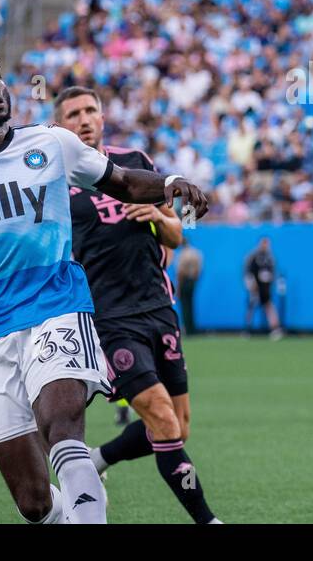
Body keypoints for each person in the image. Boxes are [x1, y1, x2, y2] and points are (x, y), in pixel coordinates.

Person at [0, 42, 210, 524]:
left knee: (63, 427)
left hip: (57, 306)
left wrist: (170, 184)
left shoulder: (50, 143)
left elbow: (121, 181)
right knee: (35, 502)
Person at [54, 86, 220, 524]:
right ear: (59, 127)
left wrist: (160, 217)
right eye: (74, 114)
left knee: (178, 427)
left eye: (91, 110)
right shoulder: (54, 183)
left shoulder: (135, 163)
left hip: (158, 307)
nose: (85, 119)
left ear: (104, 117)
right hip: (108, 317)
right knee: (162, 419)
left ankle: (98, 457)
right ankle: (208, 520)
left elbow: (177, 235)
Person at [244, 236, 283, 339]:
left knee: (268, 305)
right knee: (251, 306)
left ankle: (275, 328)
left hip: (265, 287)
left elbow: (272, 272)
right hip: (255, 286)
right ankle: (248, 329)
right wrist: (251, 284)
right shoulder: (253, 256)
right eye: (264, 243)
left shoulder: (270, 257)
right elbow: (248, 271)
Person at [176, 243, 204, 335]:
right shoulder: (196, 253)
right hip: (192, 281)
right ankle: (192, 329)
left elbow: (180, 271)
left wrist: (178, 287)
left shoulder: (182, 254)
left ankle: (187, 329)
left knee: (185, 307)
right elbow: (199, 269)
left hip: (184, 281)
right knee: (191, 305)